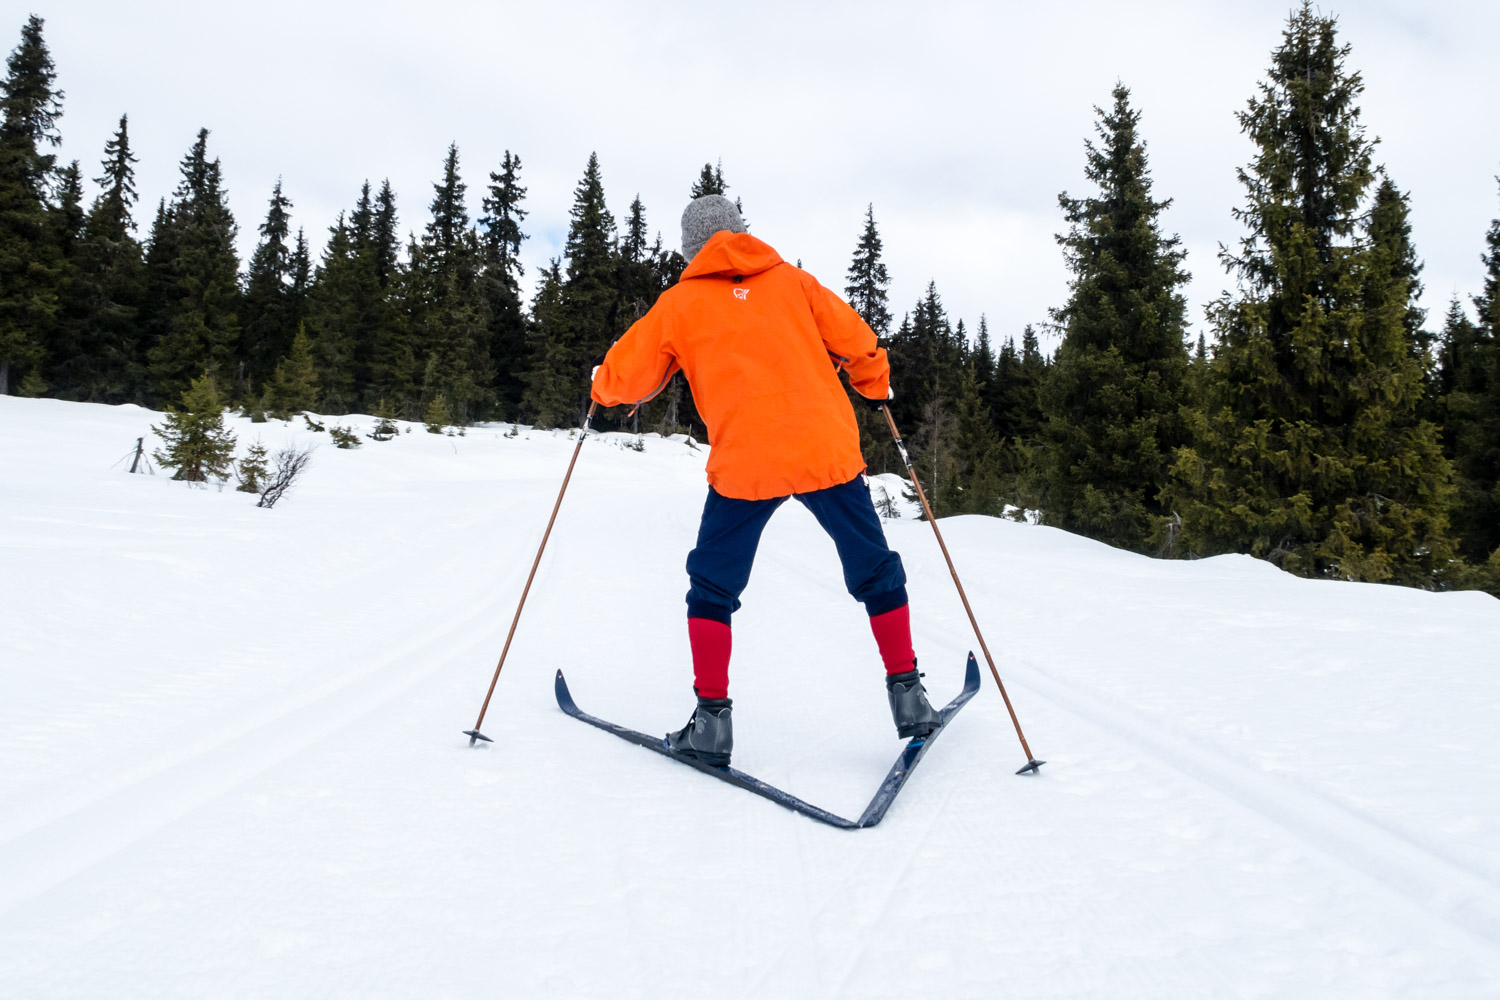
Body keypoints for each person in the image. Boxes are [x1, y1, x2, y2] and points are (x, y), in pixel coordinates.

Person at [590, 194, 938, 767]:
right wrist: (875, 386)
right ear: (741, 233)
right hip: (823, 449)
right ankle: (909, 697)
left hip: (746, 462)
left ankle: (711, 725)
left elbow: (628, 374)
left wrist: (603, 388)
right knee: (874, 567)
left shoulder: (679, 304)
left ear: (692, 247)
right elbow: (859, 343)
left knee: (712, 586)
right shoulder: (794, 283)